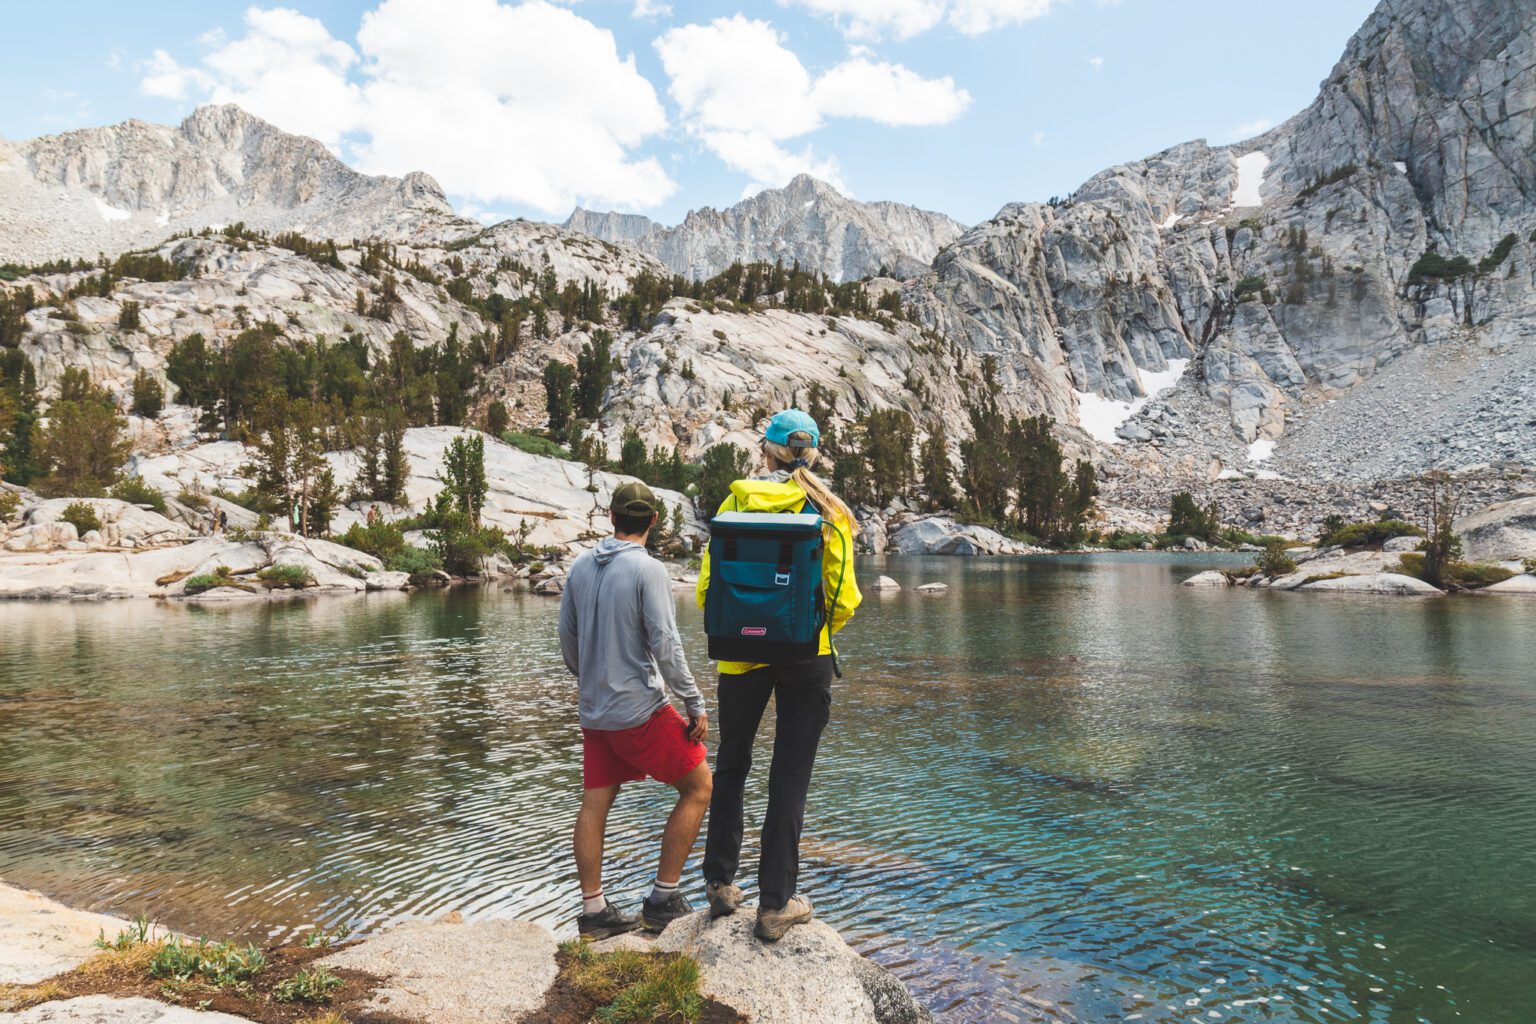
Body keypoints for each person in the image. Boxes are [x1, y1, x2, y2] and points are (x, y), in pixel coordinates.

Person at [696, 409, 862, 941]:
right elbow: (844, 598)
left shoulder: (734, 503)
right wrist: (807, 630)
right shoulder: (829, 511)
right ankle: (774, 905)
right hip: (805, 655)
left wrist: (744, 628)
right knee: (789, 775)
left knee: (731, 764)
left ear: (765, 452)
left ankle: (720, 884)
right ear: (813, 454)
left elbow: (707, 588)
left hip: (738, 655)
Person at [559, 481, 713, 939]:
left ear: (611, 516)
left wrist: (590, 677)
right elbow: (666, 643)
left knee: (595, 801)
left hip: (595, 712)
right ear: (654, 520)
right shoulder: (648, 569)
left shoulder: (580, 565)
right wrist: (694, 701)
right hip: (638, 710)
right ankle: (663, 898)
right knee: (700, 786)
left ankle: (594, 912)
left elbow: (567, 638)